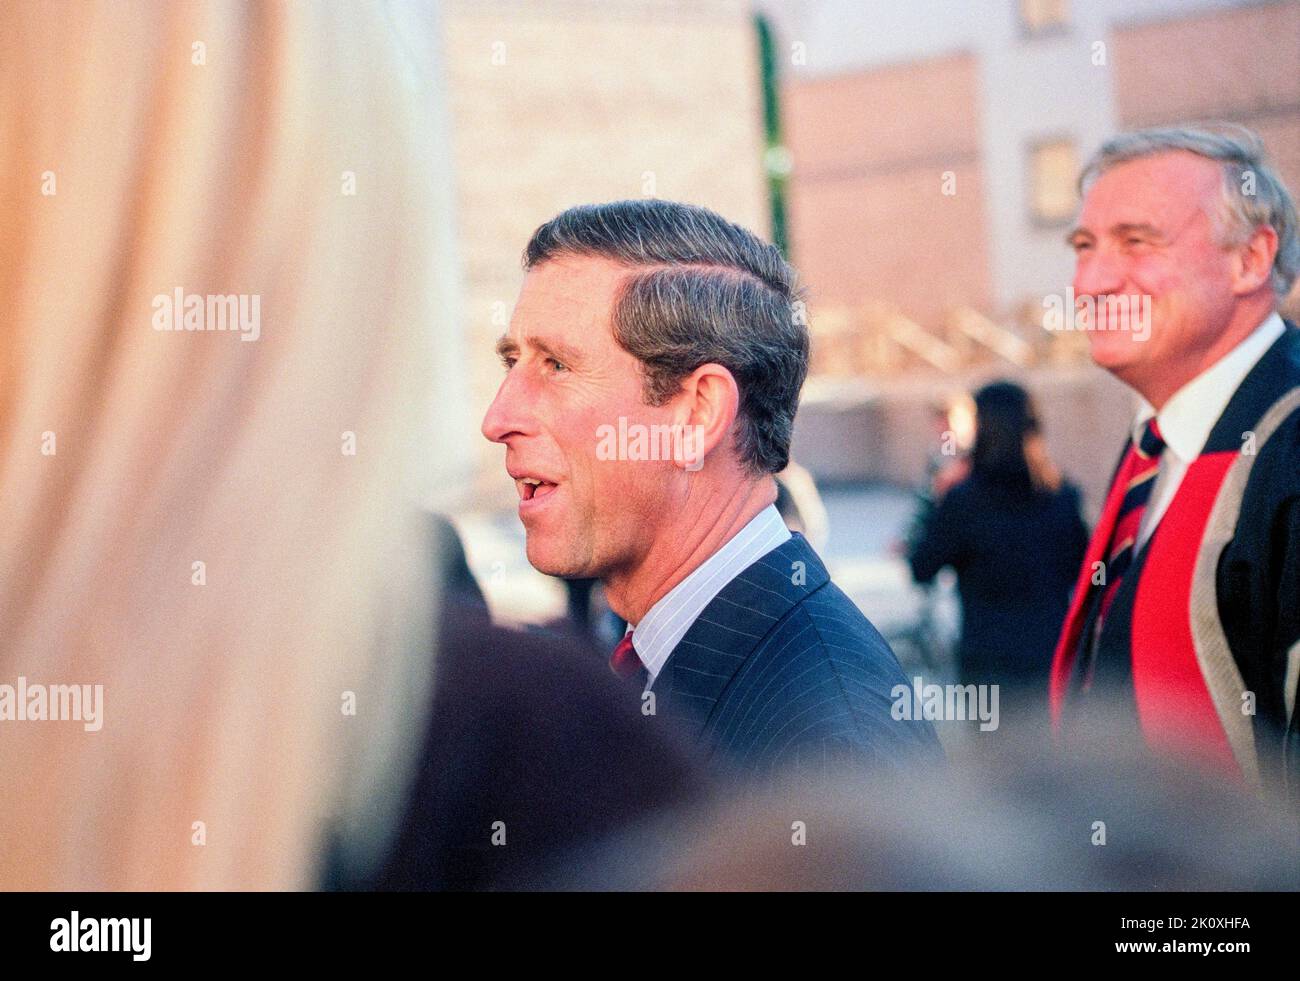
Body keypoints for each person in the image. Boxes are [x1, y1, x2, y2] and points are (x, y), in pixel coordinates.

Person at [481, 200, 942, 780]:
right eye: (511, 361)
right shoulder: (665, 662)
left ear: (698, 413)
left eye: (556, 366)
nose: (498, 418)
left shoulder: (827, 758)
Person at [1050, 126, 1300, 803]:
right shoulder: (1155, 446)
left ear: (1251, 258)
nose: (1092, 281)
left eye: (1137, 242)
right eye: (1084, 246)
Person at [909, 381, 1088, 721]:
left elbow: (921, 567)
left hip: (987, 662)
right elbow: (1084, 571)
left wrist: (940, 502)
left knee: (993, 766)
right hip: (1050, 657)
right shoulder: (1063, 496)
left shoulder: (964, 501)